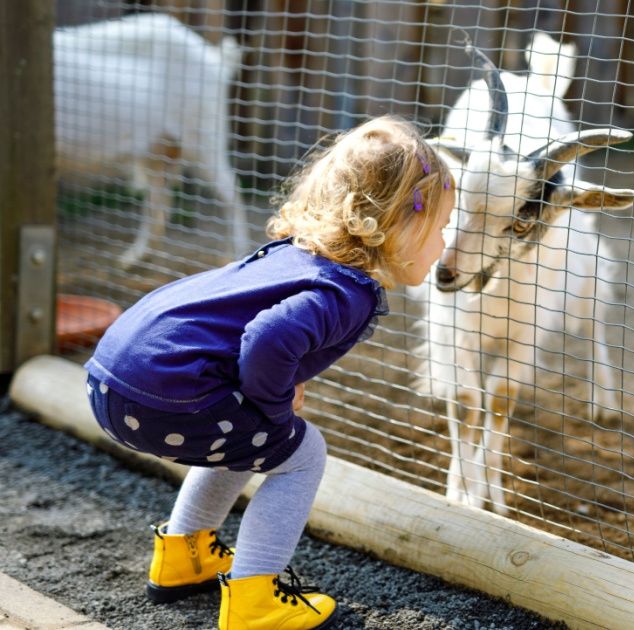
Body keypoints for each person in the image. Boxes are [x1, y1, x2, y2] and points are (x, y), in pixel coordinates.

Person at [83, 115, 455, 630]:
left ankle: (183, 556)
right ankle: (256, 598)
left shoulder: (292, 257)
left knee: (245, 436)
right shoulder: (345, 292)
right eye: (439, 229)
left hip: (112, 379)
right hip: (170, 395)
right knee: (299, 452)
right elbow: (269, 339)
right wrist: (276, 406)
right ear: (400, 224)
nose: (443, 246)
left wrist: (271, 394)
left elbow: (248, 336)